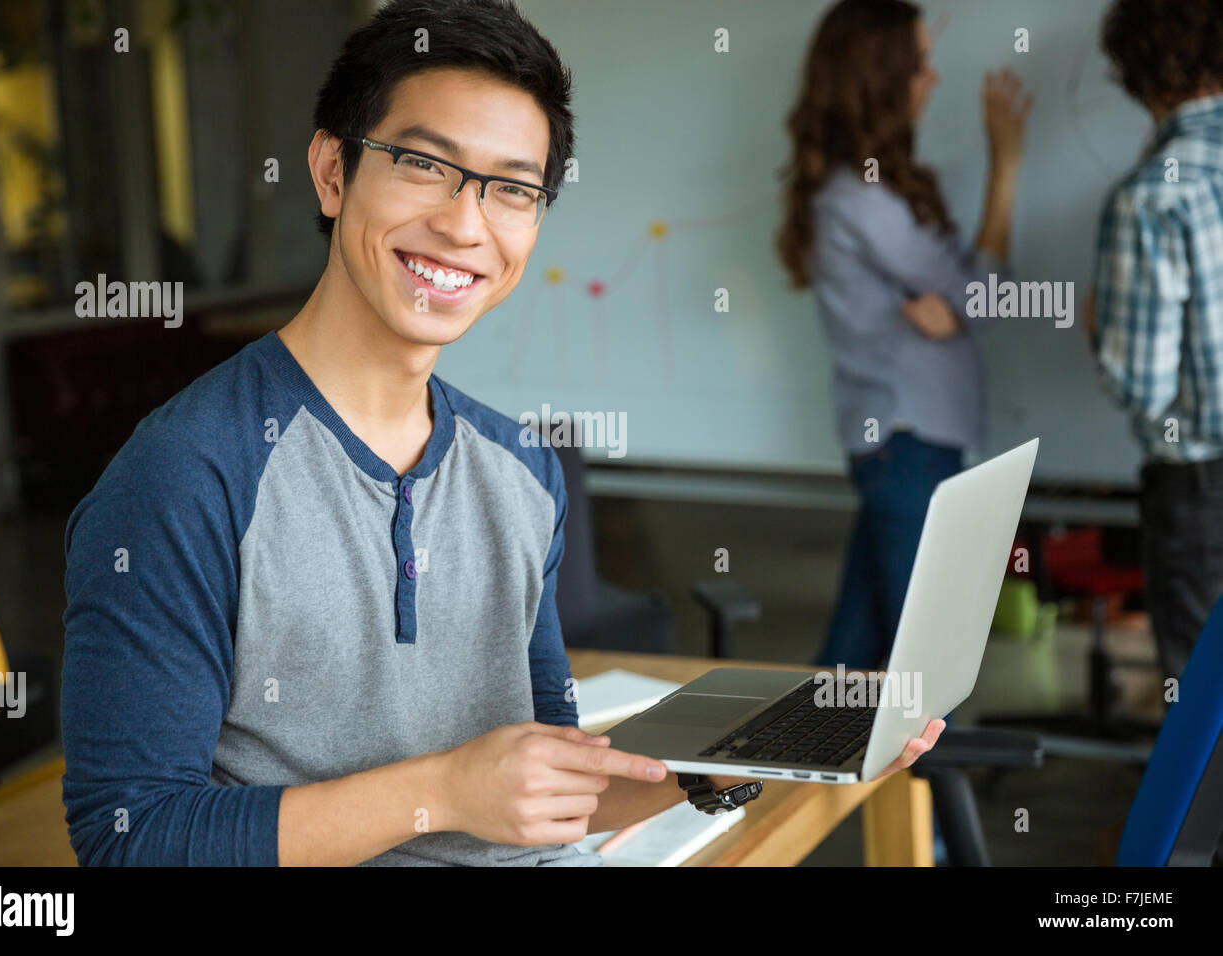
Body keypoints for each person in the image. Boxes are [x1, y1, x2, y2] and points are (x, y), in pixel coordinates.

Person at [60, 0, 943, 866]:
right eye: (422, 163)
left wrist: (751, 751)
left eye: (513, 189)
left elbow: (548, 794)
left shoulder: (523, 470)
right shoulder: (184, 474)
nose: (464, 224)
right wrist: (441, 790)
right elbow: (128, 835)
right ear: (332, 172)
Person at [775, 0, 1032, 671]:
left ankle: (792, 774)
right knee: (925, 672)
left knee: (852, 665)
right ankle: (927, 783)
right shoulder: (862, 198)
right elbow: (988, 295)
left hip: (908, 450)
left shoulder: (872, 189)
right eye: (920, 64)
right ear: (880, 78)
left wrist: (959, 304)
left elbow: (968, 301)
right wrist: (1005, 168)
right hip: (907, 449)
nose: (933, 79)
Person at [1087, 0, 1223, 684]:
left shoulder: (1151, 197)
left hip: (1202, 494)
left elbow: (1142, 386)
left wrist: (1097, 324)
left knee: (1206, 720)